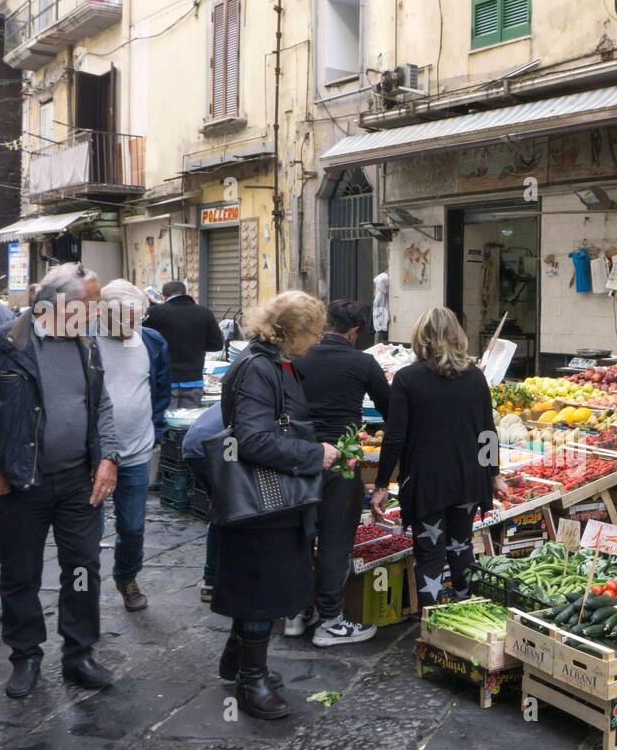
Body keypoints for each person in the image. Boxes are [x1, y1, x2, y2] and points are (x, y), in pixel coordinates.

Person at [0, 263, 122, 699]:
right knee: (21, 575)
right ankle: (25, 655)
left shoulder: (87, 344)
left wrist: (109, 458)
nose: (97, 312)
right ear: (59, 305)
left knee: (82, 569)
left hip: (79, 482)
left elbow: (101, 407)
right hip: (21, 484)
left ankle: (79, 654)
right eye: (90, 304)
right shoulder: (1, 345)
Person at [211, 292, 337, 719]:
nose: (318, 341)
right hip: (261, 503)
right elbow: (253, 439)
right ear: (291, 331)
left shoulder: (270, 362)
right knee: (261, 589)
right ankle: (252, 680)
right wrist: (313, 454)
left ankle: (240, 660)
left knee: (263, 585)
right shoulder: (258, 369)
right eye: (314, 332)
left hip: (275, 500)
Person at [371, 307, 510, 609]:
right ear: (456, 336)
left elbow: (395, 437)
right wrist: (494, 472)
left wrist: (382, 484)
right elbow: (488, 431)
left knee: (429, 556)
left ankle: (431, 624)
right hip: (469, 478)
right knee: (461, 547)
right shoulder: (475, 378)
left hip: (428, 481)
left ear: (420, 339)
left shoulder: (407, 379)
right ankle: (464, 613)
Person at [289, 299, 391, 645]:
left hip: (299, 457)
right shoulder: (362, 361)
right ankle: (330, 620)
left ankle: (295, 612)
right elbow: (390, 407)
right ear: (354, 331)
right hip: (343, 461)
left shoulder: (300, 357)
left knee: (299, 533)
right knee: (335, 538)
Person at [96, 279, 171, 612]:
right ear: (102, 314)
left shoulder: (152, 341)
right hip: (94, 456)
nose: (129, 327)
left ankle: (126, 577)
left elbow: (159, 390)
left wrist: (155, 431)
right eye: (122, 320)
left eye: (135, 320)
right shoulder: (84, 340)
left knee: (133, 526)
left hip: (136, 451)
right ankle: (82, 587)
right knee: (88, 529)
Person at [144, 280, 224, 410]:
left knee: (167, 423)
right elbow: (217, 345)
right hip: (193, 380)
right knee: (187, 423)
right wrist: (196, 344)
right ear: (185, 293)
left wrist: (152, 308)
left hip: (165, 380)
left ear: (163, 295)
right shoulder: (204, 313)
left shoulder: (155, 313)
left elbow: (144, 340)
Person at [181, 401, 224, 603]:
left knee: (221, 509)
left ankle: (211, 581)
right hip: (212, 447)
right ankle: (215, 579)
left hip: (195, 445)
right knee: (230, 509)